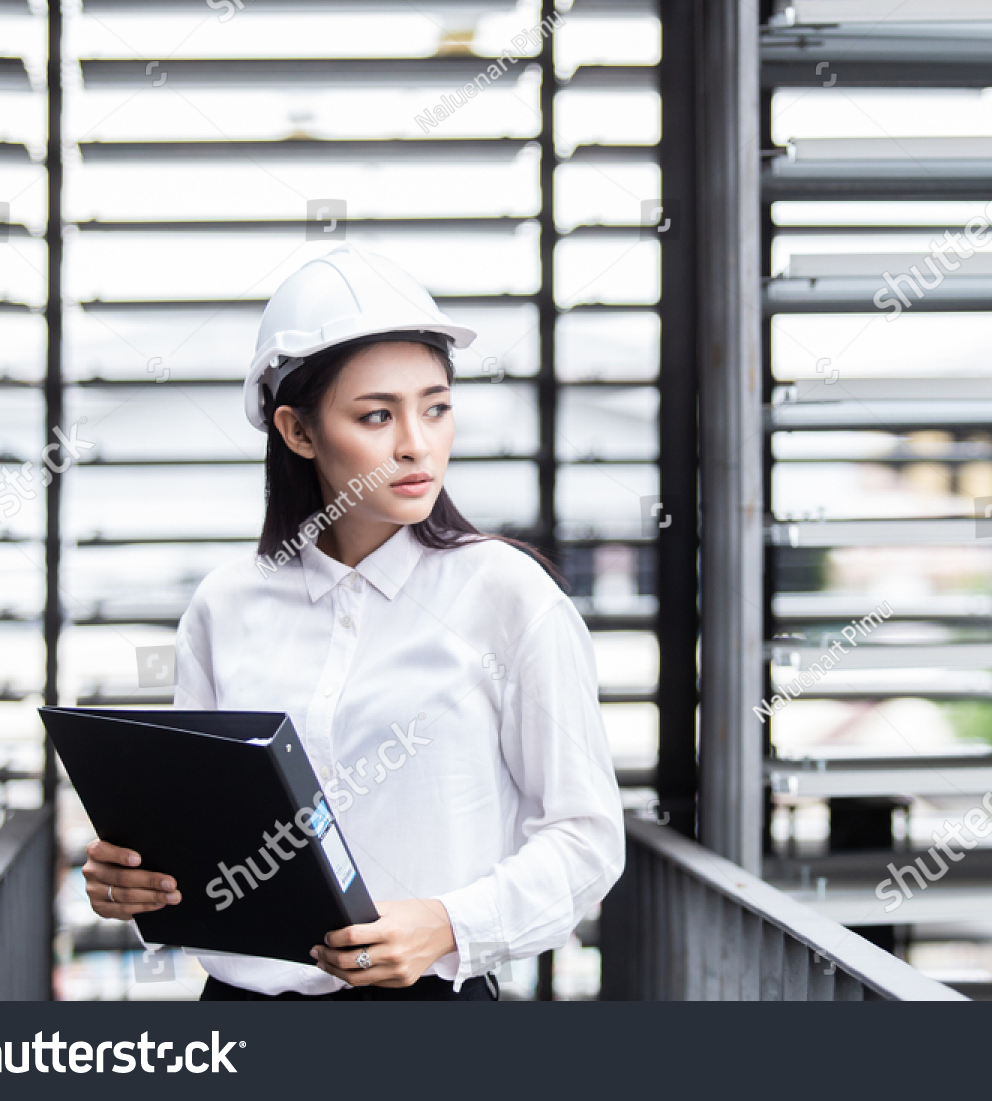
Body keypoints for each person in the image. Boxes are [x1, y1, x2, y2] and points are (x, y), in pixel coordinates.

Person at [80, 243, 626, 1000]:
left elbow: (587, 840)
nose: (416, 443)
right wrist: (133, 881)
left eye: (435, 406)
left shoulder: (508, 597)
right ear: (298, 432)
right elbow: (201, 845)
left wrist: (447, 923)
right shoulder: (225, 606)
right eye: (376, 415)